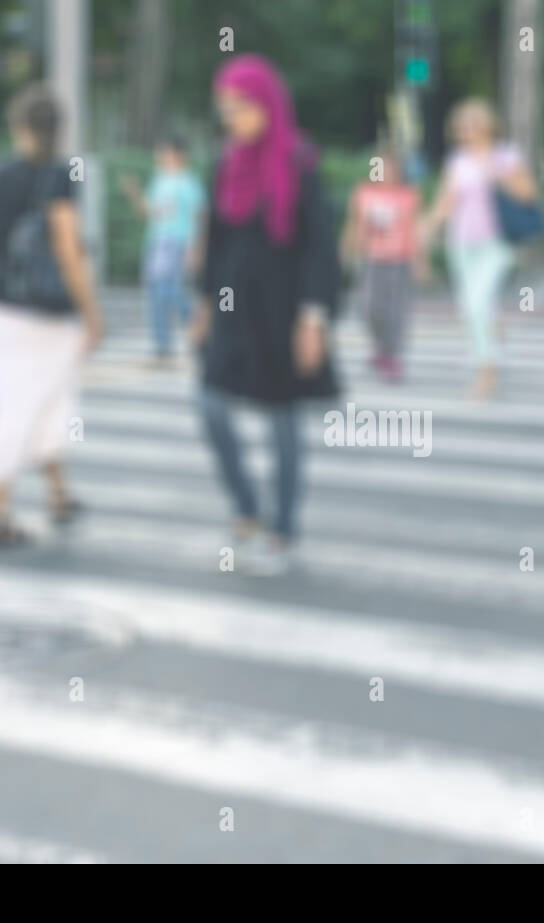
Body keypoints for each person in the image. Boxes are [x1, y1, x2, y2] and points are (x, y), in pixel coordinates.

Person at [189, 54, 340, 576]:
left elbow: (320, 248)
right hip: (232, 310)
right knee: (208, 404)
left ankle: (282, 529)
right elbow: (215, 242)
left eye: (240, 106)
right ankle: (246, 506)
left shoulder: (298, 162)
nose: (231, 117)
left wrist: (315, 318)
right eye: (225, 107)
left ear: (267, 105)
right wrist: (205, 303)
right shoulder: (227, 164)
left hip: (284, 314)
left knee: (282, 424)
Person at [0, 83, 104, 546]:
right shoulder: (61, 176)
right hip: (49, 315)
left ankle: (58, 494)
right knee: (27, 405)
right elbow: (69, 250)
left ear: (18, 127)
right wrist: (92, 311)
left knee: (43, 401)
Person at [421, 98, 538, 399]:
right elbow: (446, 201)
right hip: (460, 243)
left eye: (473, 124)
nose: (466, 131)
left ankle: (486, 372)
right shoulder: (457, 162)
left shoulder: (505, 155)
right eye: (461, 126)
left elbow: (528, 194)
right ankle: (492, 342)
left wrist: (496, 172)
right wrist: (426, 228)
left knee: (476, 304)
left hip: (496, 244)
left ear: (488, 126)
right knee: (471, 306)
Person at [118, 133, 206, 364]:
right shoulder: (160, 180)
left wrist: (196, 249)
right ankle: (162, 347)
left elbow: (200, 217)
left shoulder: (189, 183)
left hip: (178, 242)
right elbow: (148, 213)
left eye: (164, 151)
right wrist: (134, 192)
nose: (159, 155)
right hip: (156, 241)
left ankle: (200, 328)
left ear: (177, 154)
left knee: (171, 291)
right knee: (155, 292)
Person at [340, 145, 420, 381]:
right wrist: (345, 251)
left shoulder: (408, 195)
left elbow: (413, 229)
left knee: (395, 310)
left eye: (390, 167)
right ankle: (380, 347)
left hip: (399, 259)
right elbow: (354, 224)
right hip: (372, 259)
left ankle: (391, 356)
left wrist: (419, 260)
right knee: (368, 307)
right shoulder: (363, 192)